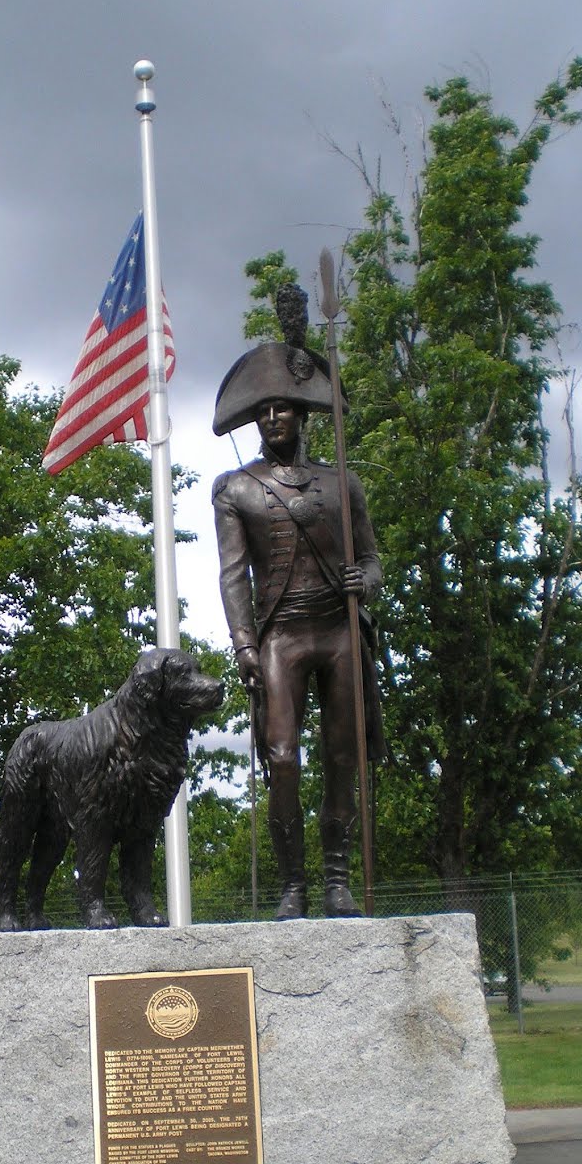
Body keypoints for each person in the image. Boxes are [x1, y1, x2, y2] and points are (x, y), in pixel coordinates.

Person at [211, 289, 384, 919]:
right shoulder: (235, 489)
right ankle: (293, 885)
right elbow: (233, 577)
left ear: (303, 415)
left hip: (338, 632)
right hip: (282, 635)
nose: (274, 420)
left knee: (343, 756)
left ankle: (337, 880)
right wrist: (244, 646)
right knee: (282, 758)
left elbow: (371, 559)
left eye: (285, 409)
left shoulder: (344, 481)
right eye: (265, 412)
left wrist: (365, 583)